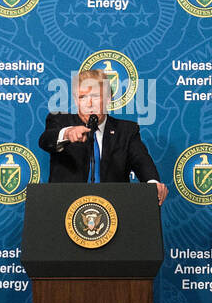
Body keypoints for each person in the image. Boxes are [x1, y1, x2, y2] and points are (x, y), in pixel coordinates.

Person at [38, 68, 167, 204]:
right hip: (65, 206)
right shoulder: (60, 121)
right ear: (76, 101)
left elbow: (141, 162)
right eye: (82, 97)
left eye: (95, 96)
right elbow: (46, 140)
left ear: (108, 98)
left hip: (113, 208)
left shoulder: (126, 131)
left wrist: (153, 184)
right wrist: (67, 133)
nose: (89, 104)